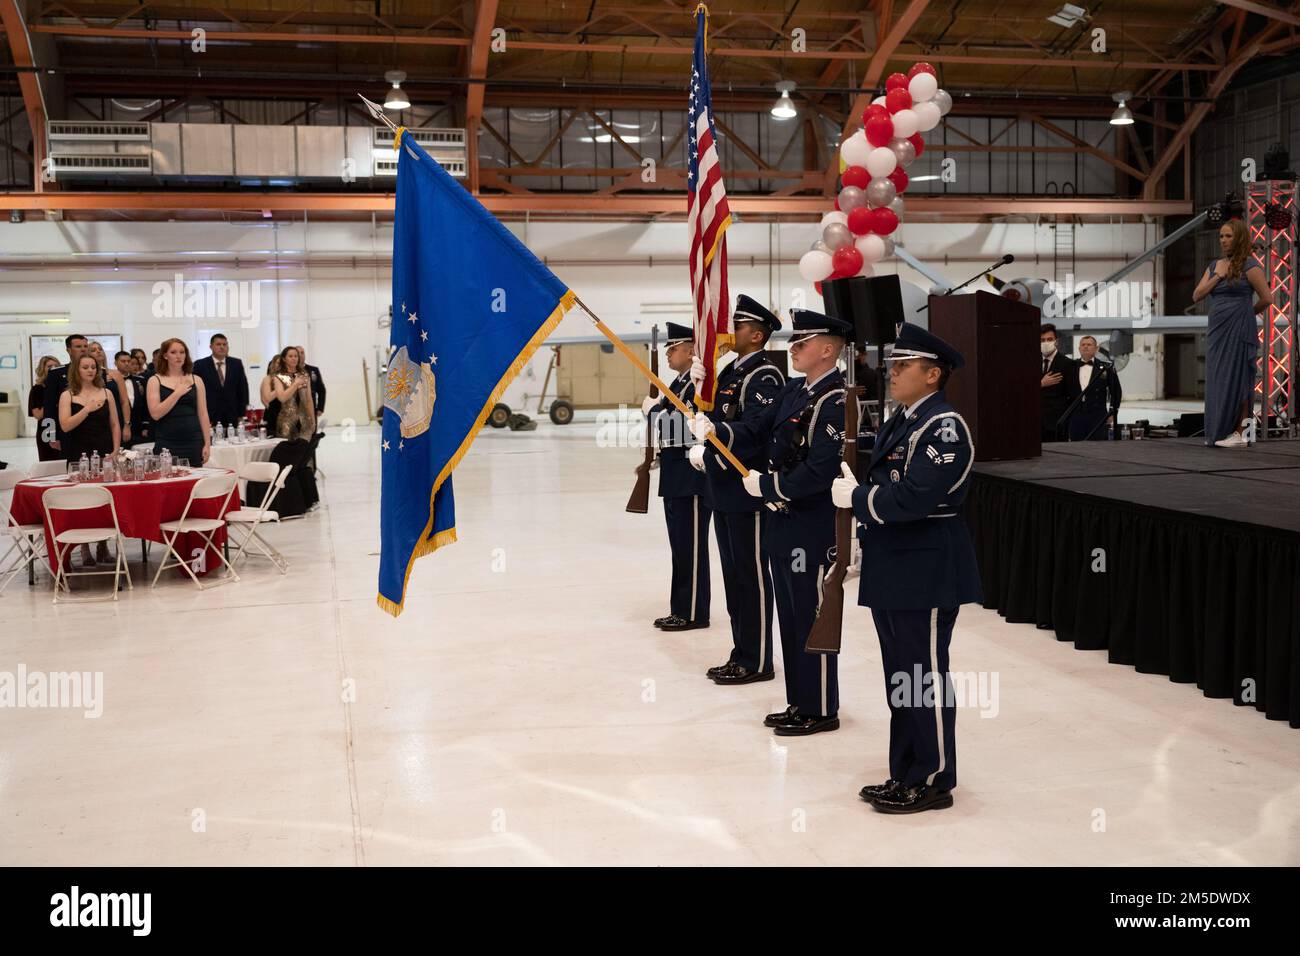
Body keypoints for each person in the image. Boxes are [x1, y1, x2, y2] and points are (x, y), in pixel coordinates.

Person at [831, 323, 982, 814]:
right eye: (893, 365)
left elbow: (914, 498)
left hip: (926, 568)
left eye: (903, 366)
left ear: (933, 374)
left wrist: (856, 499)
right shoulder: (905, 419)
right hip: (893, 564)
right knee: (900, 674)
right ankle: (906, 771)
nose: (892, 373)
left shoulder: (943, 426)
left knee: (924, 674)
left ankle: (934, 779)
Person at [692, 309, 851, 736]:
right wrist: (718, 432)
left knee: (809, 614)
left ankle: (820, 708)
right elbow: (761, 431)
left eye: (803, 342)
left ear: (828, 349)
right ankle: (800, 700)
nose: (793, 348)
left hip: (810, 522)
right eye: (794, 341)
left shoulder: (836, 399)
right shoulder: (798, 390)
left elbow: (820, 469)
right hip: (784, 519)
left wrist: (770, 486)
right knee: (790, 614)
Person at [687, 295, 786, 685]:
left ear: (757, 335)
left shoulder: (765, 375)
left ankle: (759, 659)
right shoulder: (731, 370)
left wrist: (719, 432)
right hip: (723, 487)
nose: (731, 331)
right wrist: (699, 396)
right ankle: (741, 653)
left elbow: (758, 427)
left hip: (747, 490)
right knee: (734, 577)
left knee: (752, 577)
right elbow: (712, 416)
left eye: (739, 326)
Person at [645, 321, 711, 632]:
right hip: (675, 476)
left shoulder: (693, 385)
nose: (669, 355)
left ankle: (694, 612)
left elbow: (683, 428)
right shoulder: (679, 384)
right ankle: (681, 608)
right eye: (668, 349)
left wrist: (653, 413)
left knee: (691, 548)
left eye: (673, 349)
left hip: (690, 478)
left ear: (689, 350)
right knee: (680, 548)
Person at [1193, 219, 1273, 448]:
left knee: (1239, 378)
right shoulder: (1215, 266)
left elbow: (1267, 298)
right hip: (1218, 330)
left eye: (1228, 236)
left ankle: (1242, 433)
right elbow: (1197, 295)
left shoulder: (1250, 266)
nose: (1223, 240)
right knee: (1219, 379)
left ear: (1238, 238)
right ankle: (1223, 430)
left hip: (1239, 329)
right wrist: (1218, 275)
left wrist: (1246, 314)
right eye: (1221, 236)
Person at [59, 355, 121, 566]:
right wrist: (87, 409)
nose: (90, 370)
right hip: (79, 454)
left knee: (105, 502)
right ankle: (84, 548)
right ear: (76, 370)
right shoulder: (68, 395)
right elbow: (65, 425)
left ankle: (103, 545)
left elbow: (115, 424)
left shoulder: (107, 393)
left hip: (104, 451)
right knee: (82, 502)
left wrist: (115, 450)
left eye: (93, 367)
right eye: (85, 367)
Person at [147, 338, 210, 465]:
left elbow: (203, 414)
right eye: (173, 352)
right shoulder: (155, 380)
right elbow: (155, 414)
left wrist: (207, 443)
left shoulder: (196, 380)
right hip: (167, 441)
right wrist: (177, 393)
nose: (178, 356)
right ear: (165, 355)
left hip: (193, 440)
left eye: (182, 352)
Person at [41, 333, 90, 457]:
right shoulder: (57, 373)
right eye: (78, 346)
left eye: (85, 346)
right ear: (69, 350)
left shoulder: (97, 372)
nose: (83, 349)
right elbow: (49, 407)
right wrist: (50, 435)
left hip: (93, 428)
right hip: (68, 430)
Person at [1064, 335, 1122, 440]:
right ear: (1079, 348)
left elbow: (1116, 391)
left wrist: (1112, 412)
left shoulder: (1106, 367)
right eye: (1083, 345)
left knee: (1097, 447)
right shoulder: (1070, 366)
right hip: (1075, 416)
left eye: (1089, 345)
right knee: (1075, 447)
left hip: (1098, 416)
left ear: (1097, 348)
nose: (1085, 347)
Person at [193, 333, 251, 430]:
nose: (222, 347)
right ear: (211, 346)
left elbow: (242, 389)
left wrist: (241, 413)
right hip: (209, 414)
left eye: (224, 344)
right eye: (218, 344)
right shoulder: (200, 365)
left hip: (232, 414)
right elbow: (195, 391)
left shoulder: (236, 364)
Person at [262, 346, 316, 441]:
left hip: (304, 421)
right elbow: (282, 398)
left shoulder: (304, 375)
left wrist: (312, 419)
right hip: (286, 422)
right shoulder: (279, 377)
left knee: (304, 452)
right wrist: (295, 384)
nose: (294, 358)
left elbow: (309, 400)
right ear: (284, 359)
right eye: (290, 356)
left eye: (296, 356)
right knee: (288, 453)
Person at [1039, 323, 1072, 442]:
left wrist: (1065, 421)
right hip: (1034, 423)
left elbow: (1073, 395)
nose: (1045, 343)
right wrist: (1041, 383)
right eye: (1042, 340)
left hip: (1057, 424)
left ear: (1056, 341)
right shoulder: (1029, 361)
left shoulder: (1067, 364)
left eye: (1049, 339)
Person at [28, 355, 61, 461]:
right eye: (49, 366)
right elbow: (38, 415)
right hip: (47, 431)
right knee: (49, 464)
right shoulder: (37, 389)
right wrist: (51, 396)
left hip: (63, 429)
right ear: (43, 369)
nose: (53, 368)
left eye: (56, 366)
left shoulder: (64, 387)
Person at [114, 350, 148, 446]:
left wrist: (145, 425)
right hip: (118, 424)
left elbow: (145, 404)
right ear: (115, 363)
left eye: (128, 361)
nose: (126, 364)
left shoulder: (140, 380)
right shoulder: (111, 381)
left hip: (138, 425)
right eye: (123, 361)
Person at [296, 345, 326, 420]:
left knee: (312, 430)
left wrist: (320, 407)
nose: (300, 355)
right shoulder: (289, 371)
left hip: (311, 407)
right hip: (295, 409)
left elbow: (321, 390)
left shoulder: (313, 370)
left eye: (302, 353)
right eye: (298, 353)